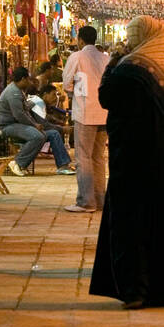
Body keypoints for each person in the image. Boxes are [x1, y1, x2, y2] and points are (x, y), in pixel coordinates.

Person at [90, 15, 164, 308]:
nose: (128, 41)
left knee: (133, 224)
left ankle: (135, 290)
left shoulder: (128, 68)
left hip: (134, 162)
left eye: (132, 35)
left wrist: (115, 59)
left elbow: (106, 97)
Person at [61, 25, 109, 212]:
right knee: (98, 157)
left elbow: (67, 83)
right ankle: (100, 199)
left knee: (83, 157)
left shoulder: (77, 56)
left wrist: (76, 92)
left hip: (85, 113)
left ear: (80, 40)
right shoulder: (105, 58)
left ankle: (86, 201)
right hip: (104, 113)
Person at [0, 67, 74, 176]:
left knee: (53, 134)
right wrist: (34, 125)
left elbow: (28, 112)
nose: (29, 82)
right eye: (28, 80)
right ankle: (18, 162)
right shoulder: (13, 93)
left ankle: (63, 165)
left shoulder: (19, 91)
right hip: (7, 126)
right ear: (23, 79)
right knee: (37, 136)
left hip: (18, 125)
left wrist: (41, 124)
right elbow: (19, 115)